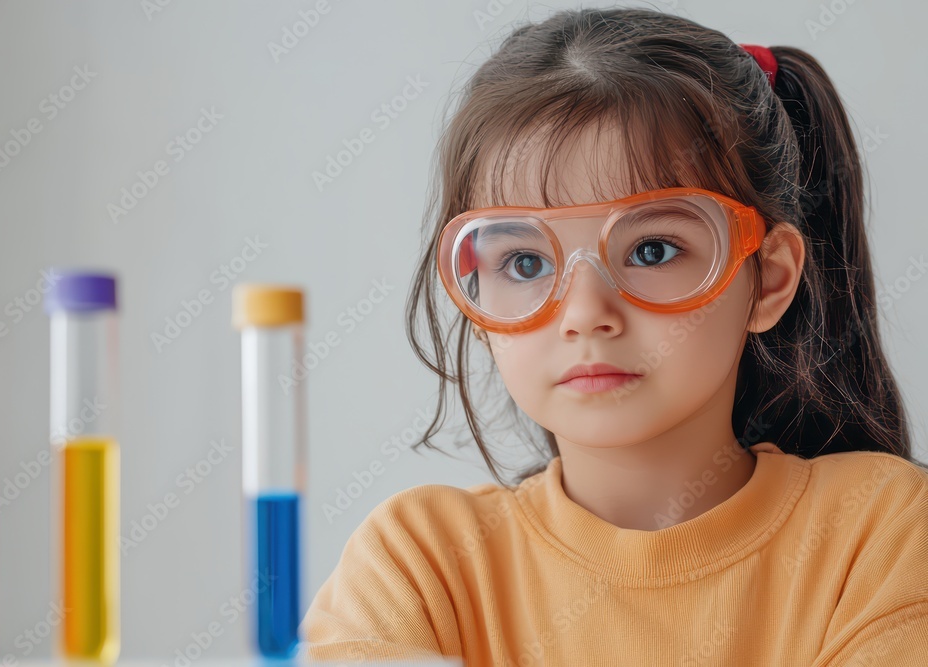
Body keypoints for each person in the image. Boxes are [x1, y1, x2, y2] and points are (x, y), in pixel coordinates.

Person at [300, 6, 928, 665]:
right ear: (479, 300)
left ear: (768, 279)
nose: (584, 313)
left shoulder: (883, 535)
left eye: (652, 250)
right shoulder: (419, 563)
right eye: (525, 263)